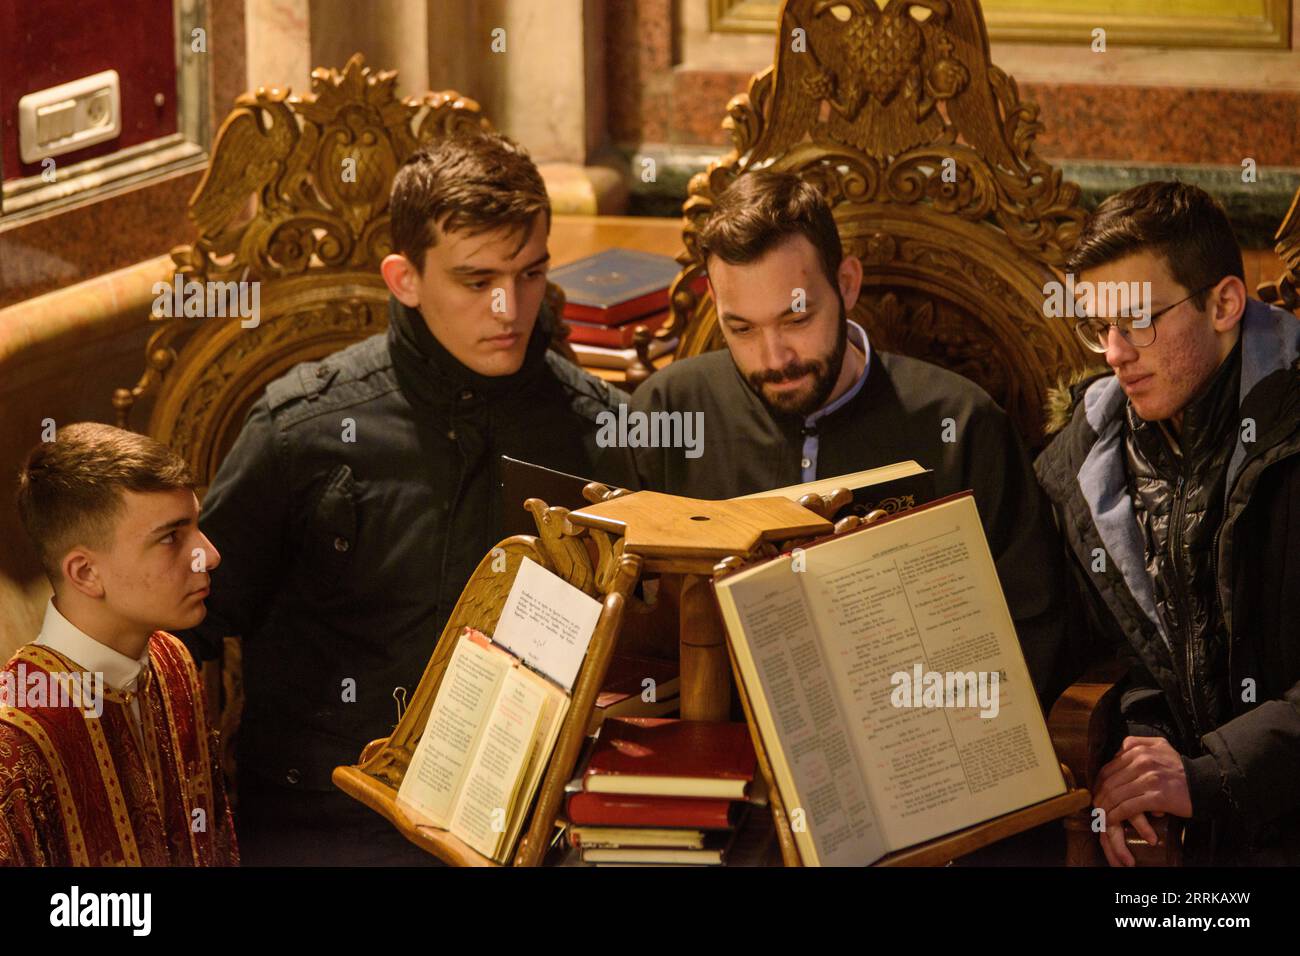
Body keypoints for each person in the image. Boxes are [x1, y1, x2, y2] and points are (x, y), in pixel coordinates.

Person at [179, 132, 629, 865]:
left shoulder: (602, 430)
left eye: (530, 273)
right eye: (475, 278)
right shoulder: (302, 431)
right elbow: (187, 622)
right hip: (326, 816)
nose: (508, 307)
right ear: (404, 278)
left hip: (538, 817)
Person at [625, 170, 1077, 712]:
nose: (774, 358)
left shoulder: (962, 422)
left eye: (796, 318)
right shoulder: (666, 412)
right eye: (741, 328)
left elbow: (1034, 631)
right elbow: (625, 620)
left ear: (846, 285)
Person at [1035, 181, 1300, 865]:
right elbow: (1113, 656)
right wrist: (1136, 767)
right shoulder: (1086, 462)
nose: (1116, 353)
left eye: (1138, 320)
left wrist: (1209, 775)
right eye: (1100, 328)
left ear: (1224, 304)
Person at [2, 422, 238, 866]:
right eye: (171, 537)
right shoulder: (12, 741)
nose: (208, 554)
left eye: (196, 526)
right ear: (86, 573)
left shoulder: (173, 661)